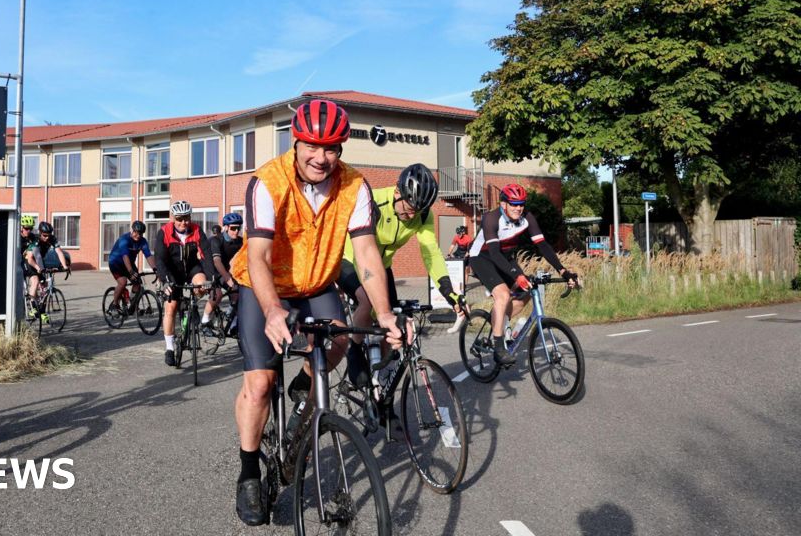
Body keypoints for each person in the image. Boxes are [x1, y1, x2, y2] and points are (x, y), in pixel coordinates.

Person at [229, 98, 403, 526]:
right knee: (260, 383)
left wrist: (384, 314)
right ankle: (249, 472)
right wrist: (273, 311)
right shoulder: (267, 182)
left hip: (316, 282)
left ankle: (305, 390)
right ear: (296, 139)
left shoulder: (354, 186)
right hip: (264, 285)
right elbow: (258, 255)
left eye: (331, 149)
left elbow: (365, 253)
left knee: (342, 336)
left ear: (341, 149)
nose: (321, 158)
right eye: (313, 147)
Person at [338, 163, 466, 388]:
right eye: (408, 208)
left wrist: (447, 290)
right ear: (397, 192)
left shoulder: (421, 213)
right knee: (368, 303)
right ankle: (354, 350)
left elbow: (431, 252)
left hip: (380, 267)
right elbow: (361, 252)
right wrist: (381, 309)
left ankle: (382, 391)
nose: (411, 216)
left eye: (417, 211)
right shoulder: (374, 201)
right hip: (350, 260)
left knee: (392, 329)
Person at [467, 183, 578, 365]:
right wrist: (517, 275)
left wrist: (563, 270)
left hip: (506, 257)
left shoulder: (527, 218)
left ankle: (499, 324)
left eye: (521, 204)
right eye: (514, 204)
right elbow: (494, 253)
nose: (519, 208)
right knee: (503, 294)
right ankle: (498, 347)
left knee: (527, 291)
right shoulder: (491, 218)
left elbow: (542, 245)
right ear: (504, 204)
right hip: (482, 257)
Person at [153, 201, 217, 367]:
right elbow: (159, 259)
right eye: (180, 219)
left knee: (203, 284)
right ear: (173, 218)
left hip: (191, 269)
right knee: (171, 307)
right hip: (172, 272)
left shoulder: (196, 230)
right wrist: (165, 280)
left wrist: (211, 278)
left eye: (186, 218)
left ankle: (193, 304)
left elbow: (207, 255)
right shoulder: (164, 232)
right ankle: (169, 348)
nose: (183, 223)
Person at [203, 212, 244, 329]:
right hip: (210, 271)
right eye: (233, 228)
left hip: (223, 271)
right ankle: (205, 320)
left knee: (237, 293)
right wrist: (227, 277)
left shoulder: (239, 241)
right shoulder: (216, 240)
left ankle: (233, 323)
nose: (236, 231)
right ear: (226, 228)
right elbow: (216, 261)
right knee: (217, 294)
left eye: (238, 228)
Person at [24, 221, 70, 319]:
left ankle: (42, 311)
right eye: (44, 235)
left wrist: (65, 266)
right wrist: (38, 268)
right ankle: (32, 308)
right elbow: (33, 257)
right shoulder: (36, 240)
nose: (47, 238)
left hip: (39, 261)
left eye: (49, 235)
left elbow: (59, 252)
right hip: (30, 261)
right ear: (40, 233)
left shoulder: (52, 239)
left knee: (45, 287)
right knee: (35, 281)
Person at [107, 220, 157, 310]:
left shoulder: (143, 241)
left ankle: (131, 303)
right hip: (116, 263)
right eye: (136, 233)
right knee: (123, 282)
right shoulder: (124, 240)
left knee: (137, 282)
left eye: (140, 234)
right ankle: (114, 304)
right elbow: (125, 256)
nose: (138, 236)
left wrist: (155, 269)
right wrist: (131, 271)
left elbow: (148, 256)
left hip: (129, 263)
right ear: (132, 231)